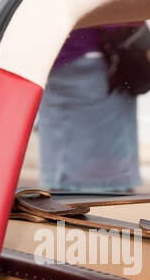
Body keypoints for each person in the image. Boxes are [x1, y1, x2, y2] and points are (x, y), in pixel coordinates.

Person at [35, 24, 142, 194]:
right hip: (93, 60)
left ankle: (62, 201)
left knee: (60, 149)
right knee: (107, 170)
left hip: (53, 59)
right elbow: (116, 16)